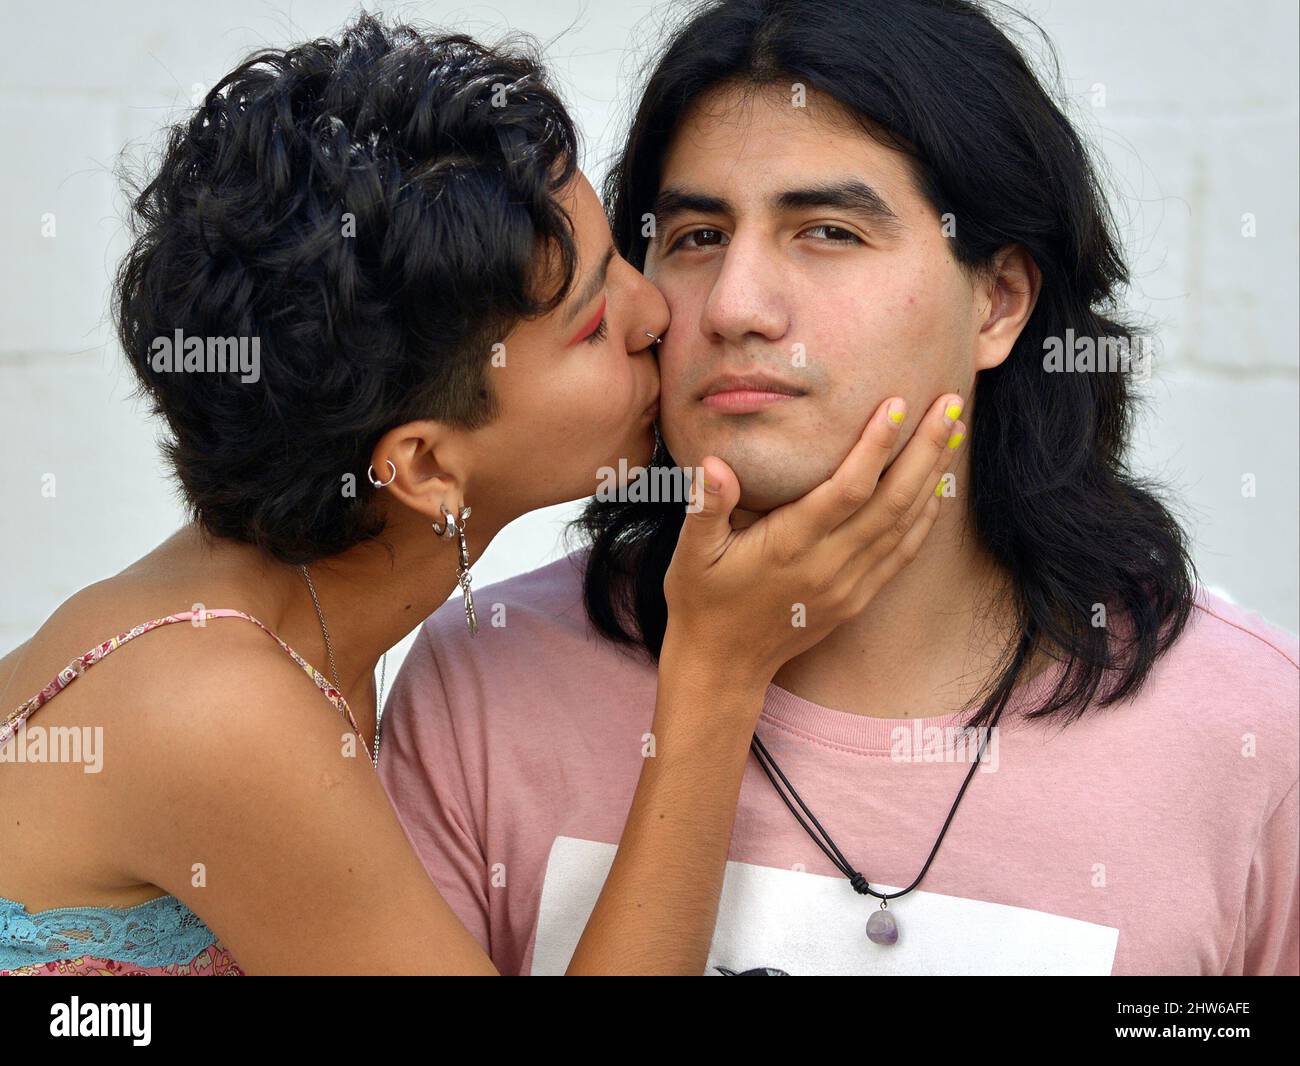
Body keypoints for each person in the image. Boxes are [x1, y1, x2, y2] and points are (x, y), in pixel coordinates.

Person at [0, 12, 962, 975]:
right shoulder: (220, 709)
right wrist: (718, 672)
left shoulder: (278, 622)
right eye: (592, 324)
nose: (664, 309)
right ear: (422, 468)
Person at [379, 0, 1299, 975]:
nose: (735, 305)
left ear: (998, 301)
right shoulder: (486, 683)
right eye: (694, 236)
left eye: (825, 231)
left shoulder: (1249, 739)